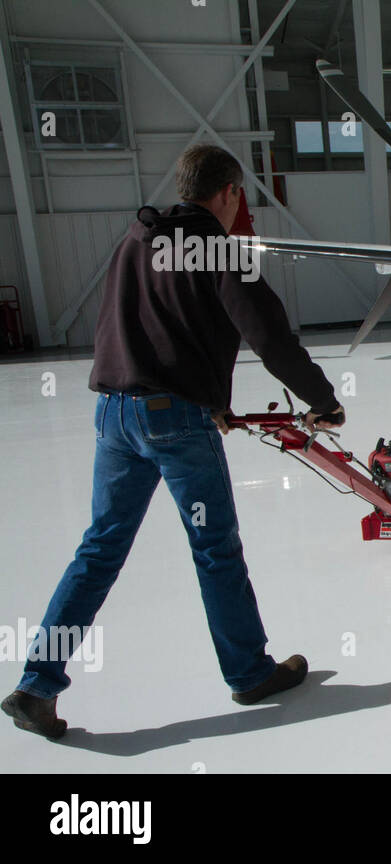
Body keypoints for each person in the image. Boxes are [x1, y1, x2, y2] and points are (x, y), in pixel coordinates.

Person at [2, 144, 344, 739]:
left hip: (114, 416)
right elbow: (269, 335)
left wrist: (211, 401)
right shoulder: (218, 248)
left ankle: (36, 685)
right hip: (174, 423)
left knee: (98, 552)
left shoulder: (138, 239)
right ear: (229, 192)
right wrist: (323, 401)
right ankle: (249, 672)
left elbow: (137, 326)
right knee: (215, 549)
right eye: (243, 197)